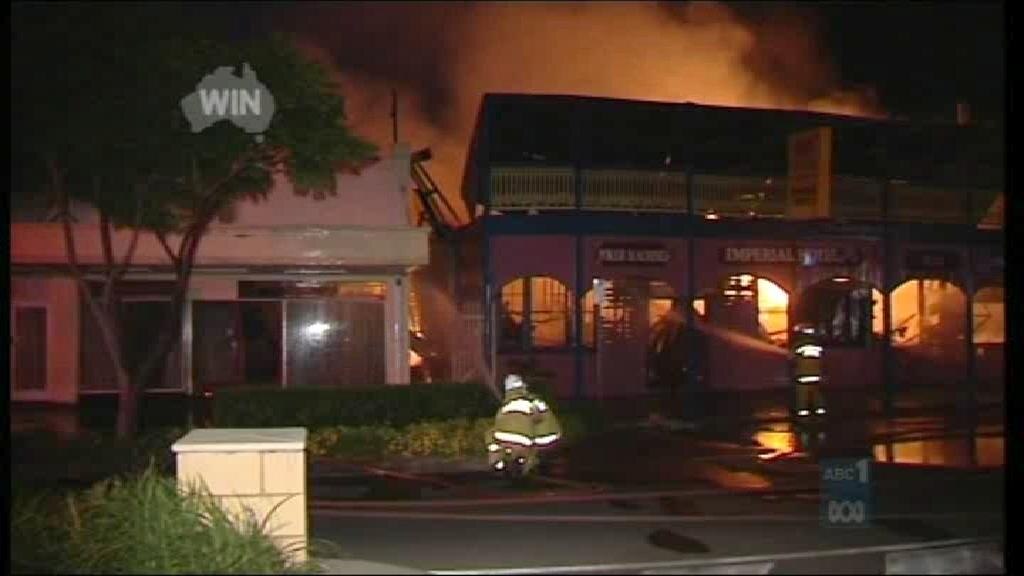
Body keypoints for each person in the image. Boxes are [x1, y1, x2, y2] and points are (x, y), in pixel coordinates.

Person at [485, 374, 562, 477]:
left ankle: (499, 463)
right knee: (531, 441)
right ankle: (526, 464)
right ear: (523, 387)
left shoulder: (505, 407)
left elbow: (498, 423)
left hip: (514, 442)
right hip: (548, 439)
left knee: (490, 434)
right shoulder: (535, 402)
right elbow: (539, 419)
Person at [791, 323, 827, 420]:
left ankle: (803, 414)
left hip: (803, 376)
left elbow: (791, 359)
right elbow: (822, 360)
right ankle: (820, 411)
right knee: (817, 394)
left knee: (802, 396)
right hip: (816, 375)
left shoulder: (798, 346)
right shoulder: (818, 346)